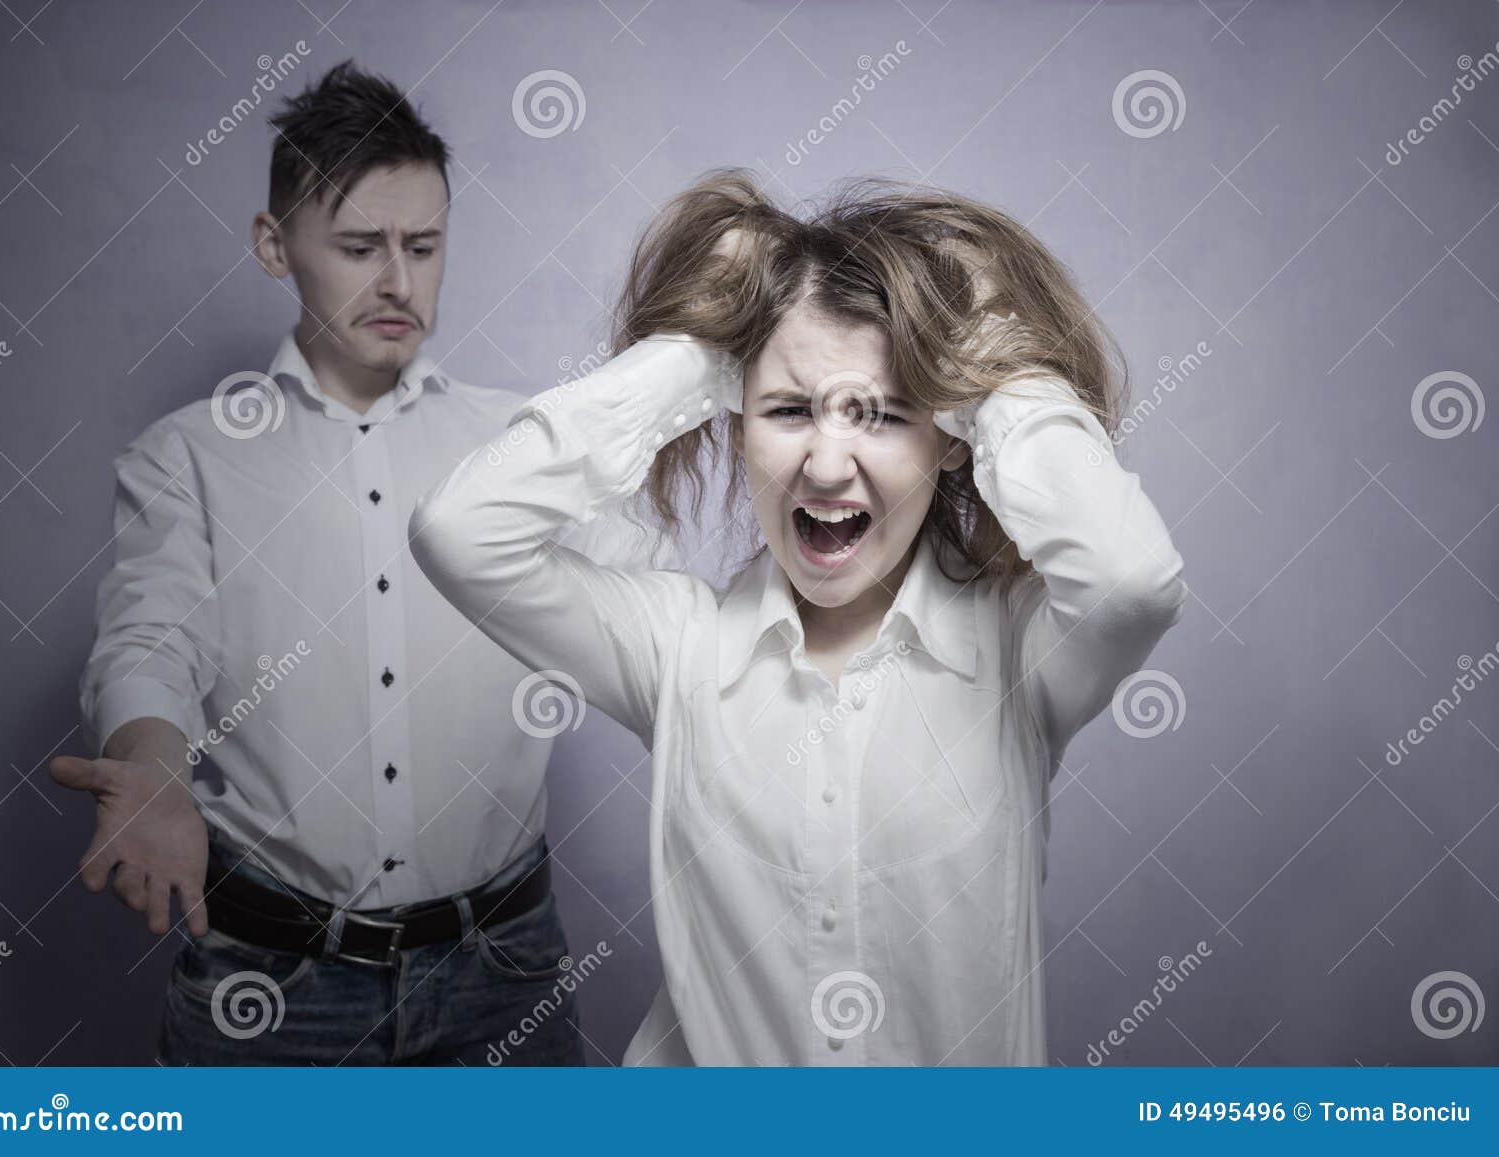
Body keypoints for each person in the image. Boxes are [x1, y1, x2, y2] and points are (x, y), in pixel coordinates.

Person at [407, 170, 1188, 1065]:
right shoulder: (678, 648)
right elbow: (460, 532)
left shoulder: (1019, 650)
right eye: (785, 409)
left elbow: (1133, 581)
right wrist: (699, 352)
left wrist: (984, 371)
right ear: (736, 419)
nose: (824, 464)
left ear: (948, 439)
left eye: (885, 414)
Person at [47, 60, 655, 1065]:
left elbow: (659, 600)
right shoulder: (186, 455)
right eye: (361, 246)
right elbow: (152, 642)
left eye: (423, 245)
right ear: (275, 245)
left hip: (502, 973)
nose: (399, 283)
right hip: (270, 985)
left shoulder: (523, 442)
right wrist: (154, 769)